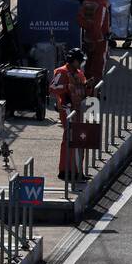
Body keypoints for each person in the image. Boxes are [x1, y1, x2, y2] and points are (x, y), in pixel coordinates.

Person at [50, 49, 89, 181]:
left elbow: (83, 89)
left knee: (78, 140)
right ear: (73, 60)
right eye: (80, 61)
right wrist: (67, 87)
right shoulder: (61, 72)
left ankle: (73, 170)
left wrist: (88, 87)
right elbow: (52, 88)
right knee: (72, 140)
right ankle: (69, 172)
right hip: (68, 110)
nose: (82, 63)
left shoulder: (79, 73)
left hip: (79, 109)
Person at [76, 0, 111, 84]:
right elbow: (99, 24)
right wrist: (98, 38)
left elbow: (80, 19)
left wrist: (89, 30)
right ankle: (95, 93)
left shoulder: (88, 0)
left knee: (88, 66)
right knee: (98, 68)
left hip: (88, 38)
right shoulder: (102, 3)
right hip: (99, 41)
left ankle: (87, 89)